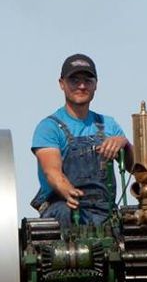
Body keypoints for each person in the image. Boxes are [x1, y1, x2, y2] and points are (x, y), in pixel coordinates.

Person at [30, 53, 129, 226]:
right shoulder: (49, 127)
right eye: (74, 80)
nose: (81, 86)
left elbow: (138, 168)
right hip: (63, 207)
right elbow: (52, 172)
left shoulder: (108, 125)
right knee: (66, 212)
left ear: (96, 85)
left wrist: (124, 143)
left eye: (87, 80)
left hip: (105, 211)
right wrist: (68, 191)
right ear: (62, 84)